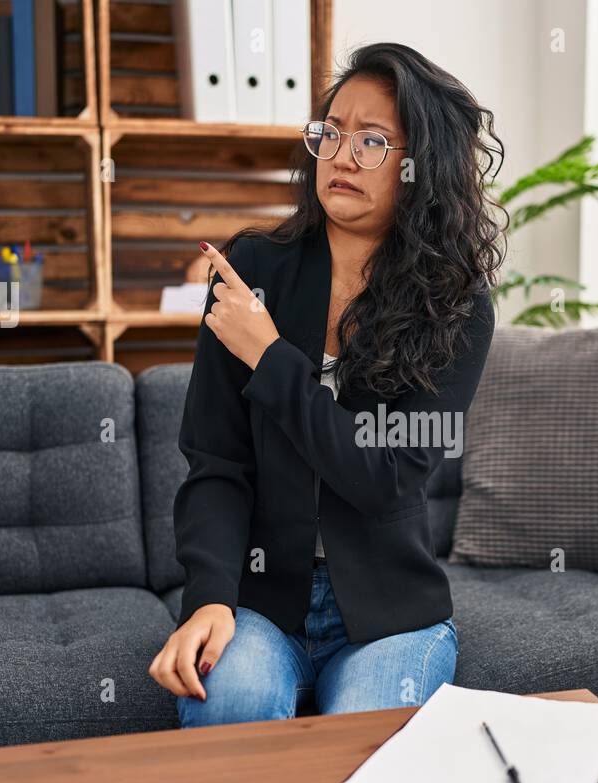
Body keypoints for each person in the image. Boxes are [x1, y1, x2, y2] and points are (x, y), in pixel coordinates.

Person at [148, 42, 505, 726]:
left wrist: (272, 356)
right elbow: (217, 465)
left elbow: (384, 482)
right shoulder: (253, 269)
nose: (341, 155)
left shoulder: (458, 307)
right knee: (230, 720)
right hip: (258, 604)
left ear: (418, 165)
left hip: (389, 615)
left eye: (373, 140)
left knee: (367, 763)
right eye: (332, 132)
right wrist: (210, 599)